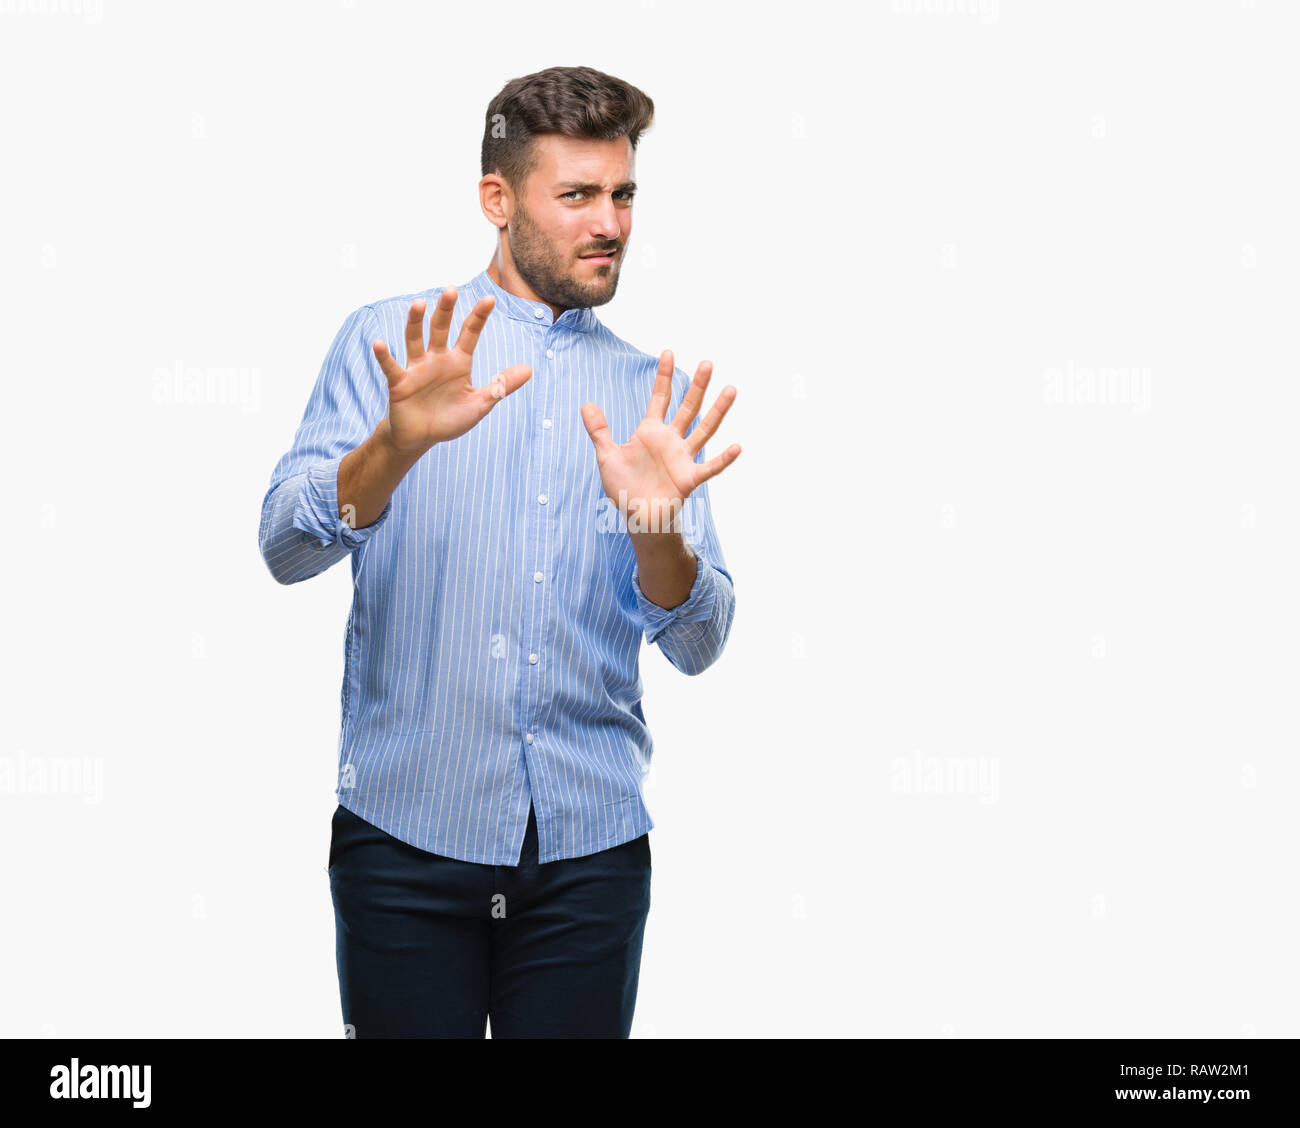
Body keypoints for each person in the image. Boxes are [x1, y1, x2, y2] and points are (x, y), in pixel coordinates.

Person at [258, 65, 740, 1038]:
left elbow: (698, 642)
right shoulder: (387, 343)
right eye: (576, 195)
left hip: (590, 856)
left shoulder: (649, 394)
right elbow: (283, 548)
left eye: (622, 194)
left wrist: (658, 531)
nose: (609, 222)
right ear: (498, 198)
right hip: (405, 840)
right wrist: (394, 446)